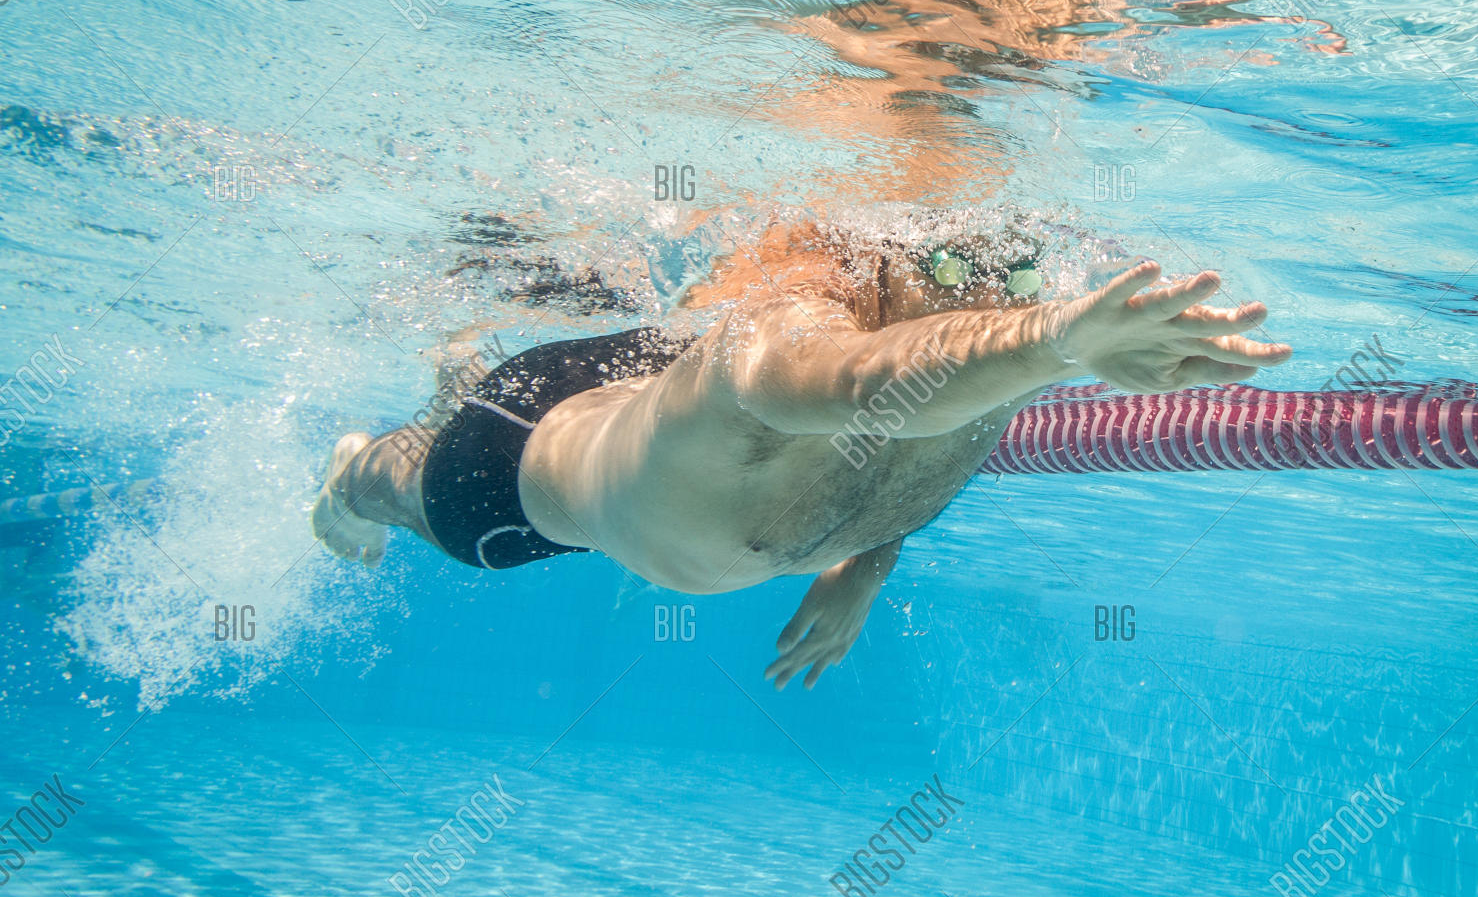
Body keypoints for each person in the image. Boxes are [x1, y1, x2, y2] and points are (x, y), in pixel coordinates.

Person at [312, 219, 1288, 689]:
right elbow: (876, 388)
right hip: (517, 465)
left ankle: (450, 376)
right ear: (891, 262)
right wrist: (1058, 339)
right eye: (954, 266)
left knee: (653, 341)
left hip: (652, 385)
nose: (989, 294)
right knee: (402, 490)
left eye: (1019, 275)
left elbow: (906, 449)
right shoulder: (776, 350)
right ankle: (359, 468)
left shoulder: (983, 357)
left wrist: (866, 564)